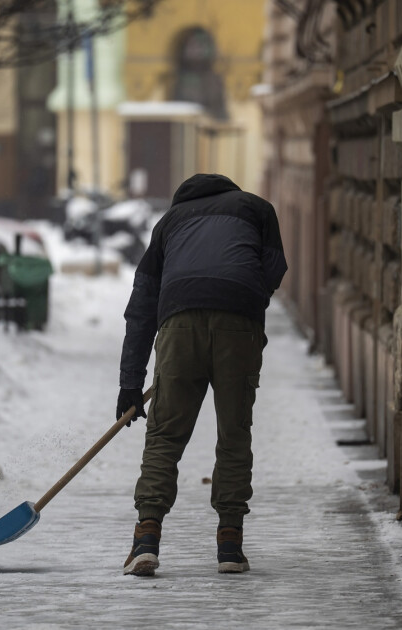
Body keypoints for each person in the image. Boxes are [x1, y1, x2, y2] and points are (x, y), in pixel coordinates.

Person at [116, 173, 287, 576]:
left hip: (179, 324)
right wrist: (242, 298)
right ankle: (230, 544)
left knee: (165, 435)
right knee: (234, 433)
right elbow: (274, 268)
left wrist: (130, 382)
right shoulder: (257, 209)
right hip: (238, 324)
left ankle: (146, 539)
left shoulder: (169, 222)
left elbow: (142, 303)